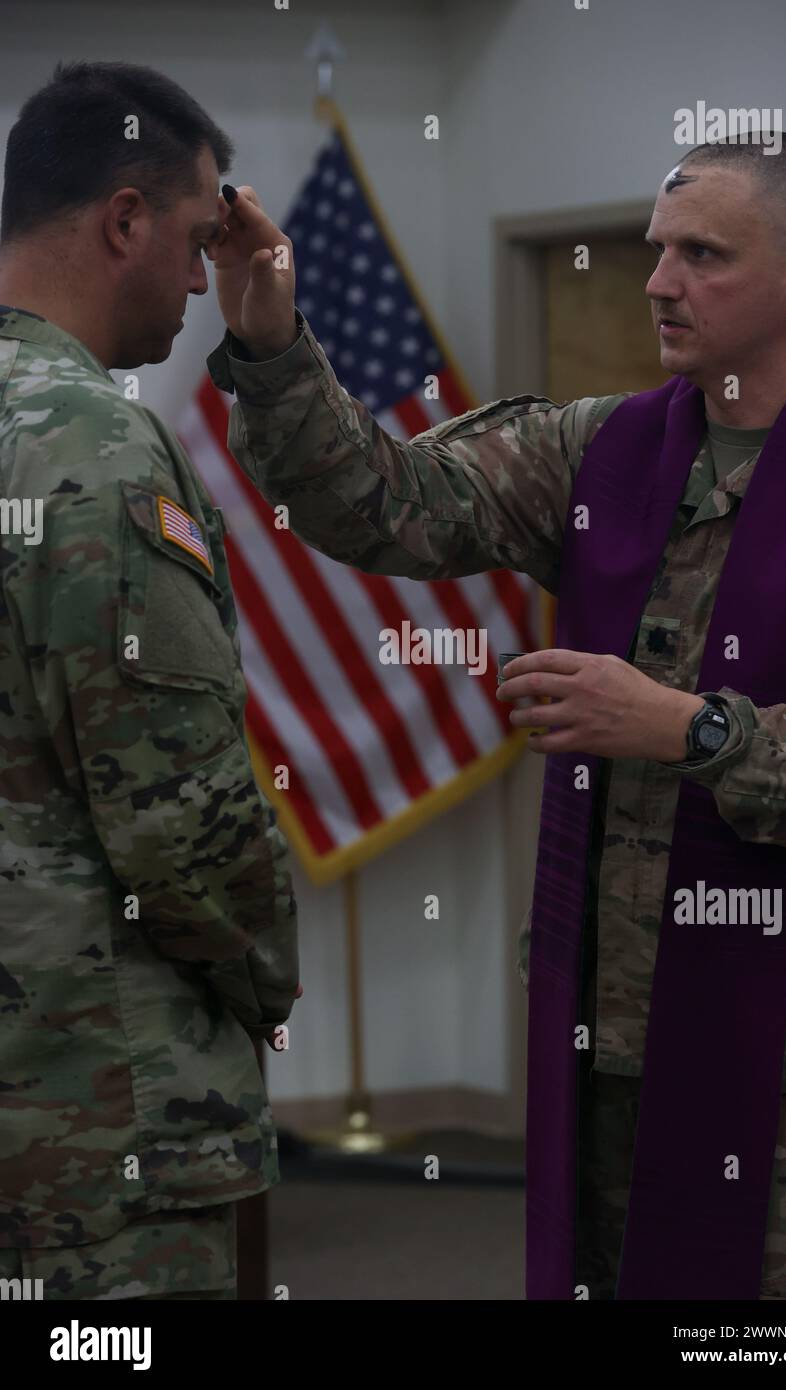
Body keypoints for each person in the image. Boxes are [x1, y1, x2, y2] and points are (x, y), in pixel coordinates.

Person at [205, 133, 786, 1300]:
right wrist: (271, 348)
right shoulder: (602, 448)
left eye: (699, 254)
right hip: (598, 1031)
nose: (655, 281)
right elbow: (380, 505)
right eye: (657, 251)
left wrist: (692, 730)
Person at [0, 61, 300, 1301]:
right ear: (123, 219)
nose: (196, 278)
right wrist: (266, 972)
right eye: (187, 240)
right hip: (95, 1107)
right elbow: (177, 818)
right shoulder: (92, 439)